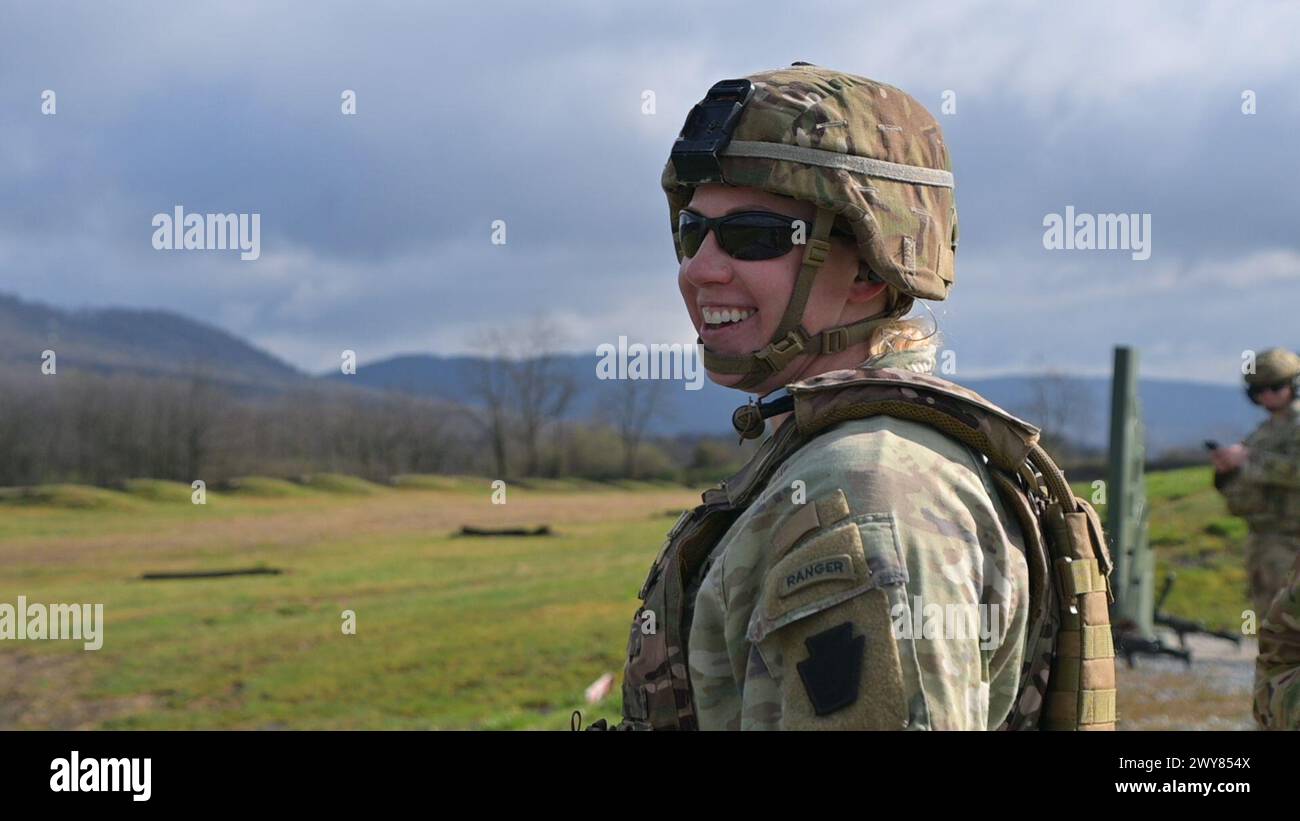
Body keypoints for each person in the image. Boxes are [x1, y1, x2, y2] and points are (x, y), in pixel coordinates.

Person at [611, 65, 1114, 731]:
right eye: (692, 231)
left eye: (754, 236)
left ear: (871, 272)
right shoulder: (829, 461)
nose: (700, 268)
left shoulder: (865, 495)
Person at [1212, 347, 1300, 623]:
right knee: (1273, 629)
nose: (1267, 396)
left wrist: (1250, 460)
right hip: (1264, 542)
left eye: (1275, 387)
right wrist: (1228, 471)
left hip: (1292, 541)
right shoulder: (1263, 433)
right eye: (1259, 390)